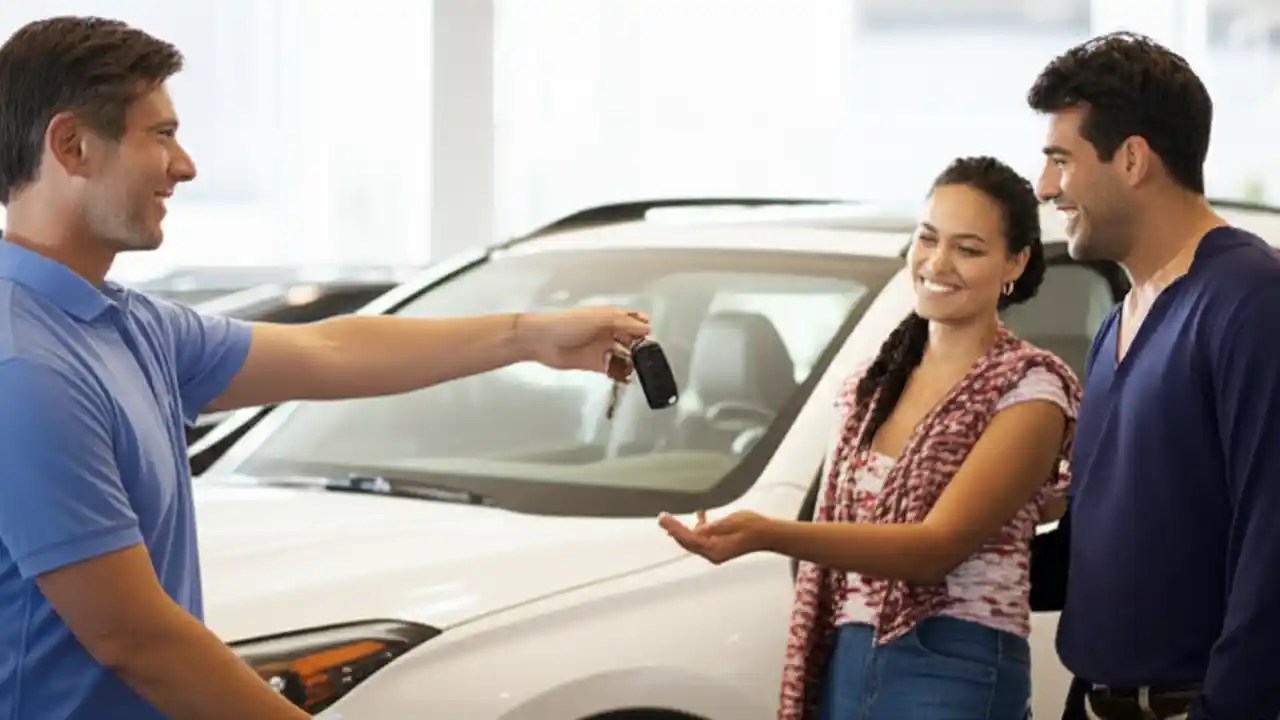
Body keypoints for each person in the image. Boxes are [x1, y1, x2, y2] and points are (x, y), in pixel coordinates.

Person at [0, 16, 650, 720]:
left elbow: (329, 350)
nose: (184, 166)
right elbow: (135, 639)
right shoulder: (25, 366)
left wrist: (529, 336)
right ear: (72, 145)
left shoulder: (126, 324)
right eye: (161, 135)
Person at [660, 155, 1082, 719]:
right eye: (927, 238)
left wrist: (768, 533)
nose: (937, 262)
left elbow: (934, 549)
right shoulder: (871, 385)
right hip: (849, 652)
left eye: (968, 248)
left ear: (1016, 262)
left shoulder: (1031, 389)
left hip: (955, 660)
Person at [1026, 32, 1280, 720]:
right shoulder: (1117, 320)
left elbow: (1271, 547)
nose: (1045, 187)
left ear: (1133, 159)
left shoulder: (1252, 302)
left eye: (1060, 160)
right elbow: (1106, 550)